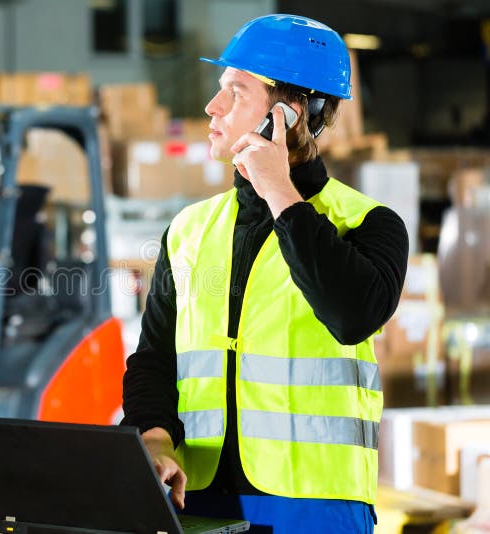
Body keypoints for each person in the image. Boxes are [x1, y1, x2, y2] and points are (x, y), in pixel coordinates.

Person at [121, 14, 409, 534]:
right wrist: (155, 439)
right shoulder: (190, 229)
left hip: (315, 506)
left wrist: (280, 191)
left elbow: (352, 315)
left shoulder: (368, 224)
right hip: (195, 498)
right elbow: (154, 359)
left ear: (288, 114)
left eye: (235, 92)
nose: (212, 107)